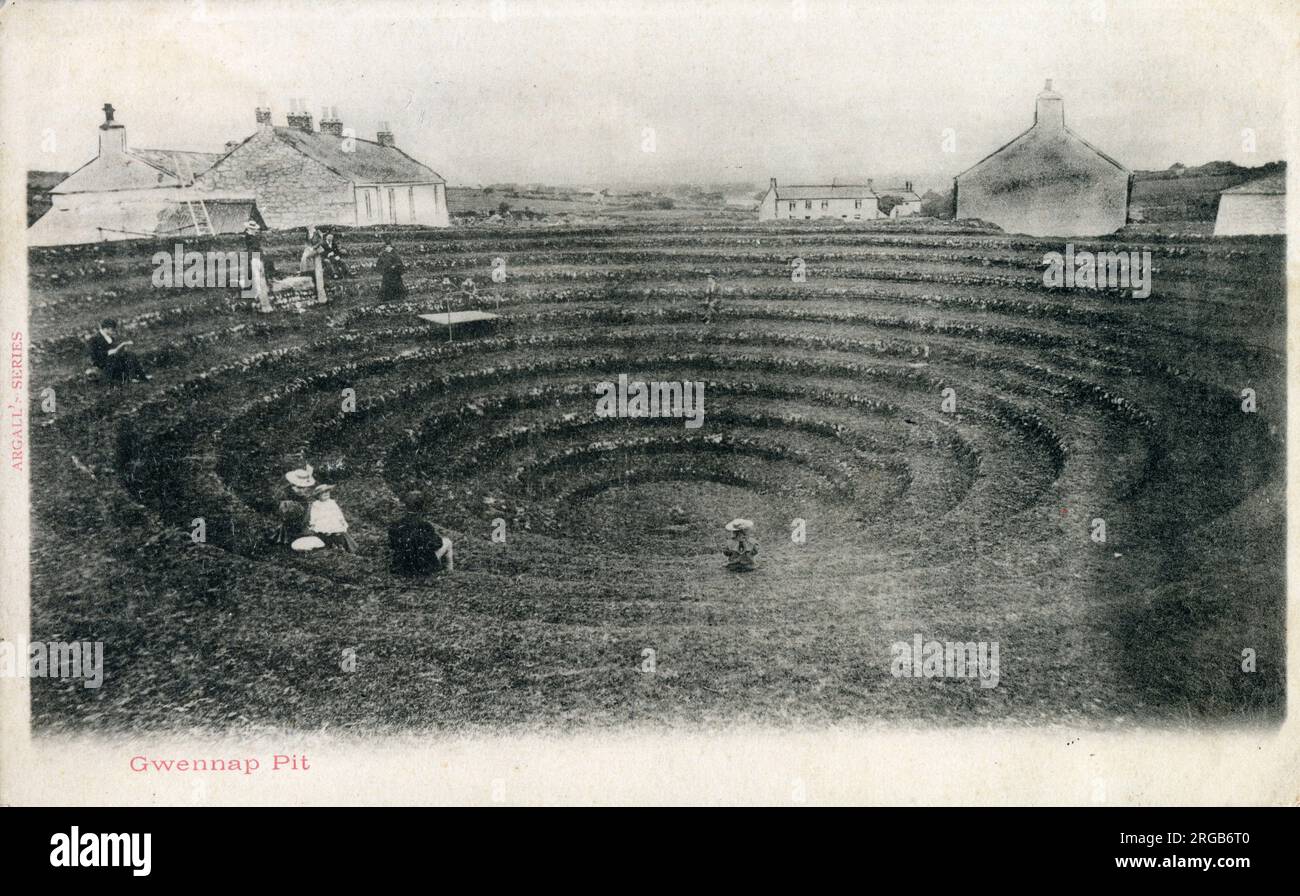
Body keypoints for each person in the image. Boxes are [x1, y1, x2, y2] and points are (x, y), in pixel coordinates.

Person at [387, 491, 454, 575]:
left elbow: (392, 545)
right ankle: (450, 572)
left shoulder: (395, 524)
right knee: (447, 542)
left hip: (401, 566)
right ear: (422, 507)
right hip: (422, 567)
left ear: (406, 505)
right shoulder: (424, 525)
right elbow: (437, 544)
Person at [89, 318, 149, 383]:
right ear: (105, 329)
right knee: (119, 357)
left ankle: (140, 376)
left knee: (130, 354)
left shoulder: (109, 337)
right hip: (102, 361)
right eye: (112, 330)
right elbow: (95, 355)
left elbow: (114, 349)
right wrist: (111, 351)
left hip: (111, 358)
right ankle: (130, 377)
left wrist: (121, 348)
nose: (113, 331)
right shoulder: (95, 339)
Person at [307, 483, 358, 552]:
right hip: (322, 522)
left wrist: (341, 520)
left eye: (327, 491)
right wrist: (313, 523)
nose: (326, 493)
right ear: (318, 495)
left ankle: (342, 547)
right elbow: (314, 515)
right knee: (325, 535)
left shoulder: (332, 502)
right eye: (323, 493)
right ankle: (329, 547)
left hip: (333, 521)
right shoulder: (316, 504)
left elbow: (338, 512)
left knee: (338, 534)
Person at [274, 465, 316, 545]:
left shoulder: (305, 496)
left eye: (305, 488)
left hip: (302, 521)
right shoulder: (286, 493)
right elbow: (282, 508)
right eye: (299, 487)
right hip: (289, 521)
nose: (302, 490)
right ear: (293, 485)